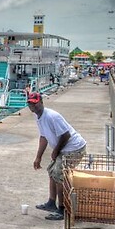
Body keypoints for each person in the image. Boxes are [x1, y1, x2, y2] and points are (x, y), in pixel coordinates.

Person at [27, 92, 87, 221]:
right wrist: (38, 157)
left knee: (59, 175)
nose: (32, 105)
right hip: (64, 149)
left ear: (41, 102)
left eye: (35, 102)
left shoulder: (52, 116)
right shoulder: (38, 117)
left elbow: (66, 135)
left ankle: (62, 209)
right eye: (30, 103)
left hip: (74, 148)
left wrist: (56, 151)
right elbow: (43, 137)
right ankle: (51, 202)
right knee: (51, 171)